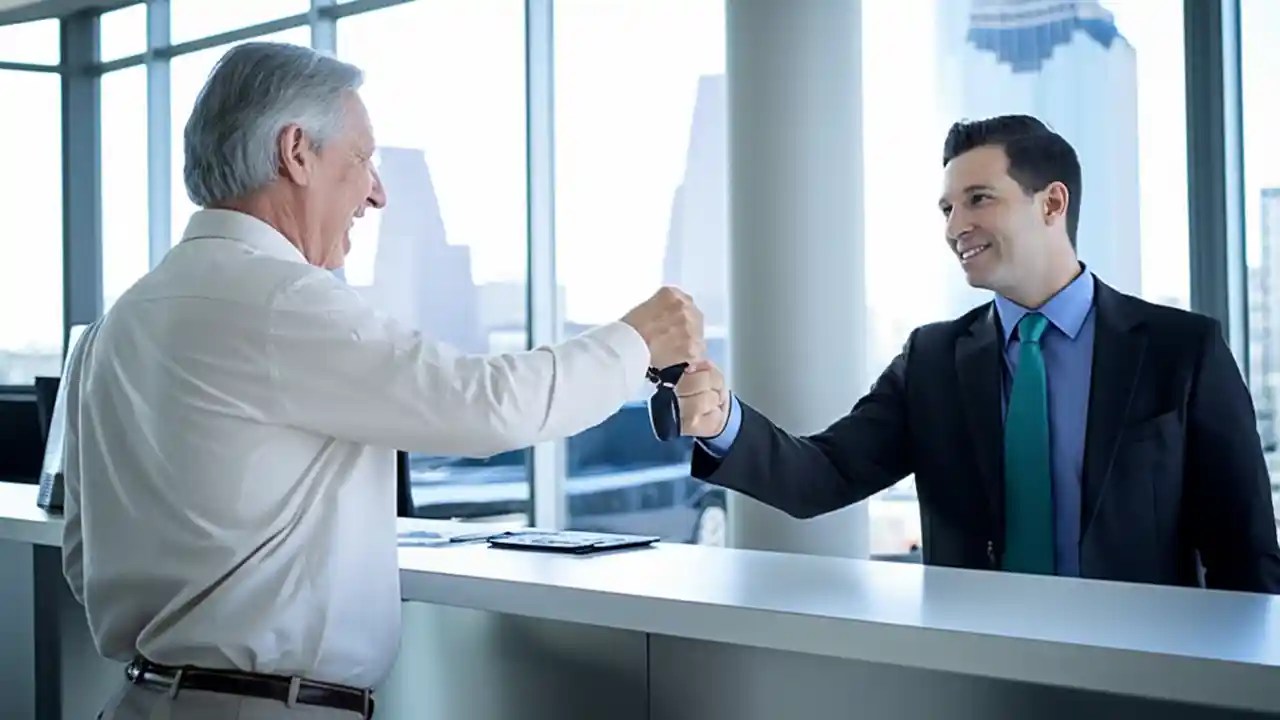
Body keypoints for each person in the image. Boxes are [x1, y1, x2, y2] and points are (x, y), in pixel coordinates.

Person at [62, 42, 705, 719]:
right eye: (362, 159)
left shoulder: (117, 325)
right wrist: (638, 340)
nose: (376, 191)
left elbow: (85, 557)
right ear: (296, 153)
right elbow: (485, 406)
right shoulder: (281, 301)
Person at [675, 114, 1280, 594]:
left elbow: (1245, 552)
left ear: (1051, 204)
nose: (954, 225)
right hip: (979, 676)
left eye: (979, 199)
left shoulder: (1183, 350)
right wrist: (725, 423)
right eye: (947, 208)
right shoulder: (933, 360)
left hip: (1147, 681)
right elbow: (822, 476)